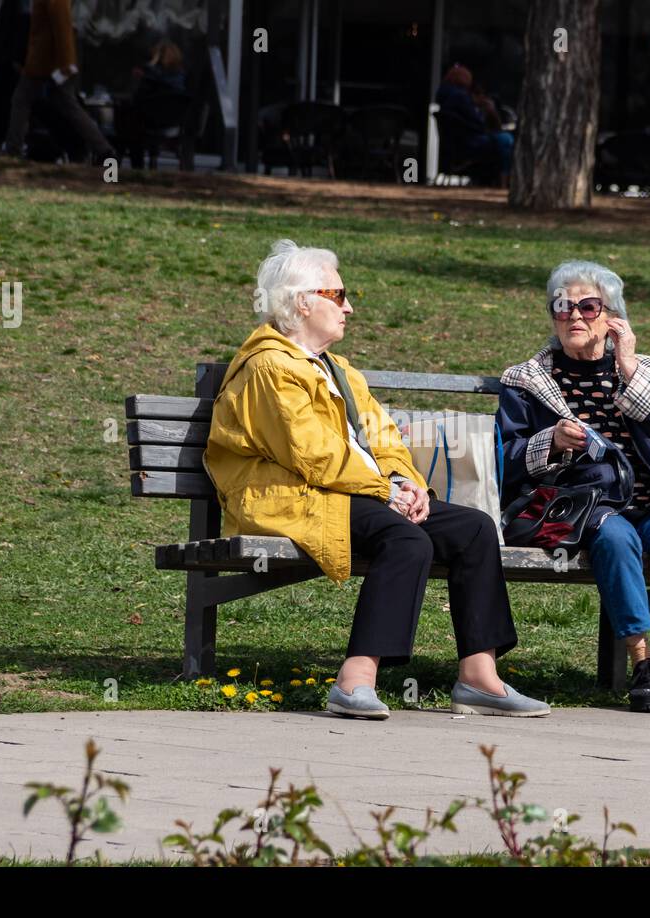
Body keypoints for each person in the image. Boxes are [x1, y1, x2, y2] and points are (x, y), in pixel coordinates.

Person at [204, 240, 550, 721]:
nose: (348, 306)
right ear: (303, 301)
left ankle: (479, 678)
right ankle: (355, 679)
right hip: (291, 497)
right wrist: (385, 491)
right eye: (338, 294)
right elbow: (311, 455)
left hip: (351, 492)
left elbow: (385, 439)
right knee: (405, 540)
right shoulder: (268, 367)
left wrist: (409, 485)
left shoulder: (338, 370)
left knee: (471, 528)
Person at [496, 261, 650, 716]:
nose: (574, 316)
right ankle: (643, 666)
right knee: (615, 537)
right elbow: (503, 458)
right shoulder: (528, 380)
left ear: (612, 318)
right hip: (587, 510)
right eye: (562, 307)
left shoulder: (643, 370)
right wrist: (548, 443)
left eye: (588, 306)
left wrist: (627, 366)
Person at [3, 0, 114, 161]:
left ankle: (13, 150)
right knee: (67, 104)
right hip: (49, 60)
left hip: (46, 60)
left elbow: (62, 30)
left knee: (21, 100)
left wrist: (66, 64)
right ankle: (103, 149)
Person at [434, 64, 514, 186]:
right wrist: (487, 111)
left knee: (503, 139)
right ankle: (504, 180)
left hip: (458, 143)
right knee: (506, 140)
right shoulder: (460, 97)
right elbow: (478, 124)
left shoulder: (445, 97)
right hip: (469, 142)